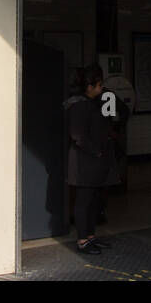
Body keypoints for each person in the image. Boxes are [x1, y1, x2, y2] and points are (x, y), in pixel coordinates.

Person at [66, 65, 119, 254]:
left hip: (94, 161)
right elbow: (78, 135)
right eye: (99, 84)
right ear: (90, 86)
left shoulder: (96, 102)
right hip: (85, 163)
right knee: (84, 201)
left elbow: (111, 118)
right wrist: (96, 151)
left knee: (94, 201)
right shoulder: (79, 105)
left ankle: (90, 236)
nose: (101, 88)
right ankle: (82, 240)